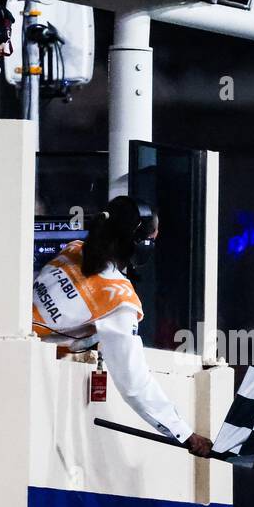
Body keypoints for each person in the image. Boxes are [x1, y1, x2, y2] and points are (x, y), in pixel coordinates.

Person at [31, 196, 214, 458]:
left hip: (17, 359)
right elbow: (134, 383)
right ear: (139, 245)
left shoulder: (72, 250)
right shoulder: (119, 299)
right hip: (33, 377)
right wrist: (185, 433)